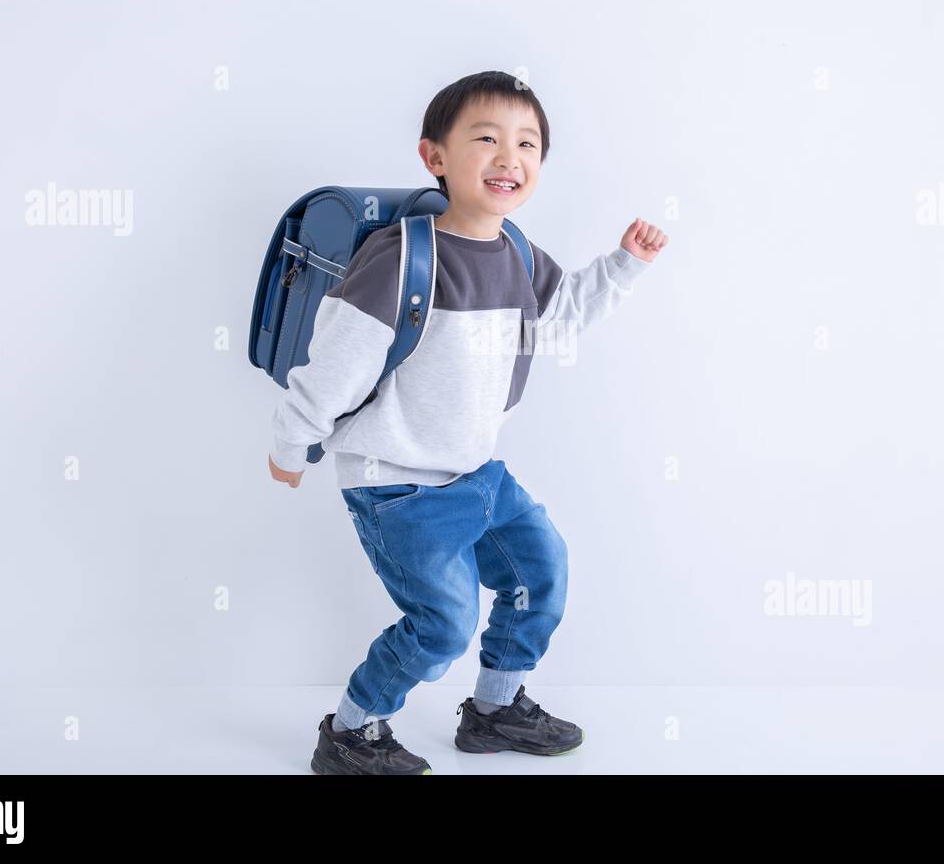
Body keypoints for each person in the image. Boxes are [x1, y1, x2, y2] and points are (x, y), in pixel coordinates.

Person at [268, 70, 669, 774]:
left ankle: (492, 709)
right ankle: (352, 730)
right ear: (435, 158)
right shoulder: (402, 258)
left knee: (541, 570)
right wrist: (291, 444)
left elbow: (562, 319)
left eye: (527, 143)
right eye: (485, 139)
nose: (508, 157)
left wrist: (624, 266)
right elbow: (334, 364)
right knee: (441, 625)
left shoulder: (515, 252)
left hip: (476, 471)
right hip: (397, 484)